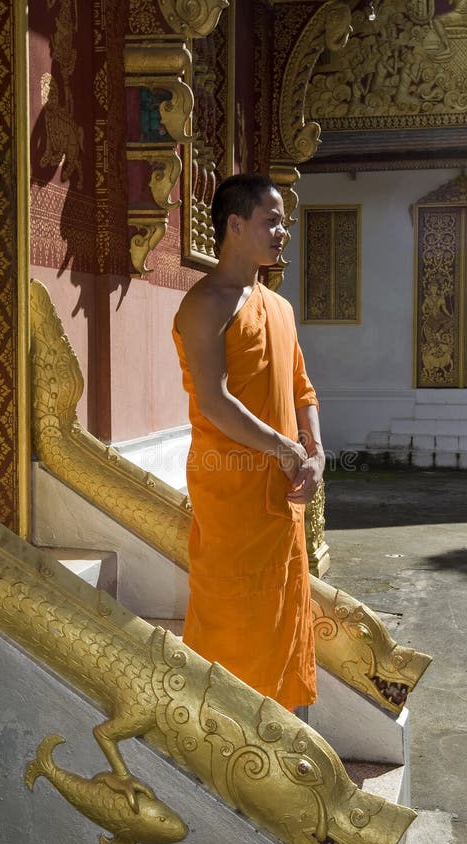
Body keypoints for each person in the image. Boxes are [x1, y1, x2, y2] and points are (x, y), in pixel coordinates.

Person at [172, 174, 325, 712]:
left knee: (285, 611)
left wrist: (317, 451)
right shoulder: (205, 305)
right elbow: (214, 401)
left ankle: (279, 745)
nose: (284, 231)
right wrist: (287, 450)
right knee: (231, 617)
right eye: (272, 220)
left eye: (284, 221)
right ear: (235, 226)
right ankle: (222, 746)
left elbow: (302, 387)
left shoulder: (277, 308)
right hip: (232, 493)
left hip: (282, 498)